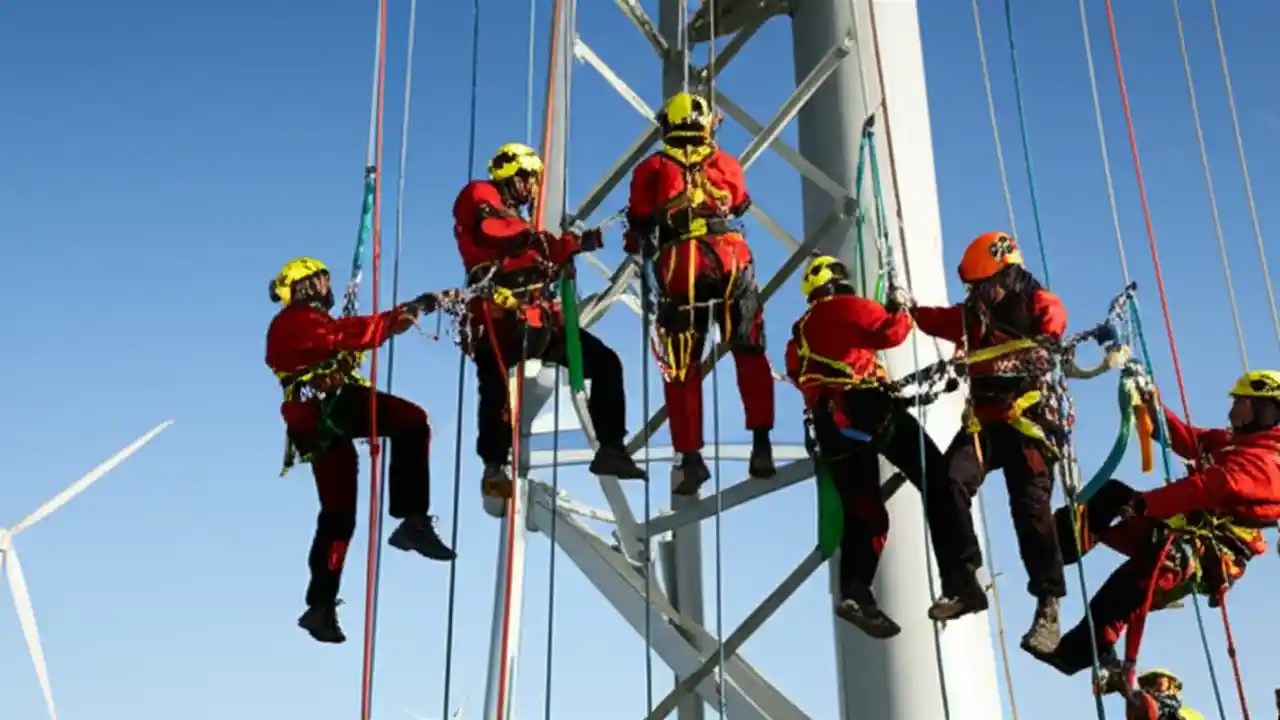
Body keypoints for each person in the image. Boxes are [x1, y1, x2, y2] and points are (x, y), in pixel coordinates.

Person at [1034, 370, 1280, 679]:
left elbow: (1210, 487)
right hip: (1175, 529)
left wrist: (1146, 503)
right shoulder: (1231, 443)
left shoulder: (1268, 462)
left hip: (1202, 552)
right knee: (1110, 494)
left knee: (1128, 585)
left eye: (1243, 401)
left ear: (1265, 409)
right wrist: (1151, 403)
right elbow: (1186, 439)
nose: (1234, 408)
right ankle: (1053, 554)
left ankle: (1076, 654)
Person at [265, 257, 456, 644]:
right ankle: (412, 522)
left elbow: (337, 341)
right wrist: (410, 310)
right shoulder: (295, 320)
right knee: (411, 421)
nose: (326, 286)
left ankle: (320, 606)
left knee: (337, 517)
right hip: (332, 406)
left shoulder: (308, 325)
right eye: (321, 280)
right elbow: (352, 334)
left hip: (314, 422)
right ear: (305, 285)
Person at [785, 255, 968, 637]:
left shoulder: (800, 331)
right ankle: (960, 575)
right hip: (866, 408)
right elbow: (891, 333)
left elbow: (798, 372)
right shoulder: (847, 307)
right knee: (936, 477)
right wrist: (900, 307)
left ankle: (856, 591)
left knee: (865, 512)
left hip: (829, 425)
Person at [454, 142, 646, 502]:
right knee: (495, 391)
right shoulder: (480, 195)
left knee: (605, 364)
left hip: (539, 322)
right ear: (512, 173)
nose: (531, 189)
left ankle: (611, 446)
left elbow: (545, 250)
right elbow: (489, 230)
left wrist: (581, 244)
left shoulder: (520, 224)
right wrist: (539, 240)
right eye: (528, 179)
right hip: (499, 321)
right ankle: (494, 467)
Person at [909, 231, 1068, 656]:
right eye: (973, 289)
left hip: (1027, 420)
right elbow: (936, 319)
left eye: (982, 286)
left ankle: (1048, 604)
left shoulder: (1038, 303)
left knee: (1030, 508)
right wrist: (906, 310)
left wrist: (1045, 346)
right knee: (945, 482)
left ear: (1006, 275)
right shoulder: (971, 315)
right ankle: (963, 583)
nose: (977, 295)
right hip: (985, 423)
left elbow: (1051, 332)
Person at [624, 90, 775, 493]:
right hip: (729, 259)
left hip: (681, 266)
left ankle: (690, 460)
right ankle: (761, 446)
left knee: (680, 365)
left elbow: (639, 219)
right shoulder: (725, 162)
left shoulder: (652, 166)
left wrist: (638, 239)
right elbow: (739, 203)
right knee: (749, 350)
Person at [1123, 669, 1205, 720]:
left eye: (1158, 684)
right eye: (1146, 686)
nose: (1151, 690)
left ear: (1172, 686)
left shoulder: (1189, 714)